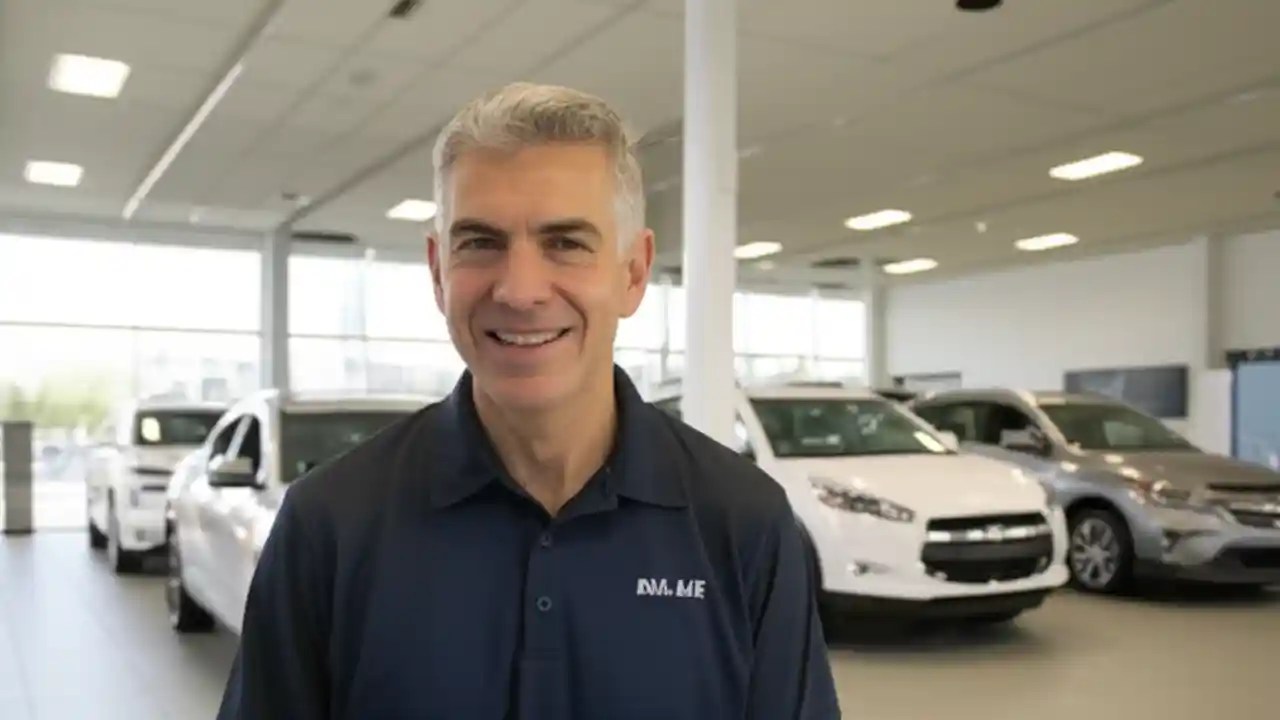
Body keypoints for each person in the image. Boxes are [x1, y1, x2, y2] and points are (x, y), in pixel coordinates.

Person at [217, 81, 840, 719]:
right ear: (438, 271)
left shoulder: (742, 522)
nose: (519, 290)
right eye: (480, 242)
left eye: (565, 243)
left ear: (632, 272)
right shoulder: (331, 525)